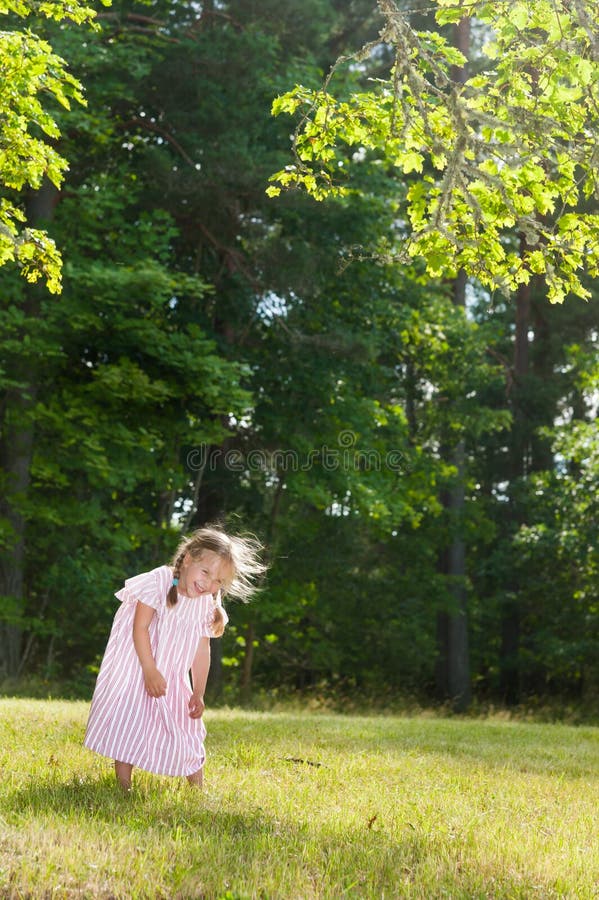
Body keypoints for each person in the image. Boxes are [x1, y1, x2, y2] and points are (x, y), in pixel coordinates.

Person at [84, 525, 264, 791]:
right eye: (206, 572)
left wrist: (198, 692)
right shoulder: (159, 581)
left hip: (174, 675)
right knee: (130, 720)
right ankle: (124, 786)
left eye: (218, 582)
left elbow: (202, 651)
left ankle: (197, 790)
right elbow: (140, 628)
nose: (209, 584)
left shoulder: (206, 603)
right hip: (140, 666)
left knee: (188, 726)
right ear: (189, 558)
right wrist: (149, 669)